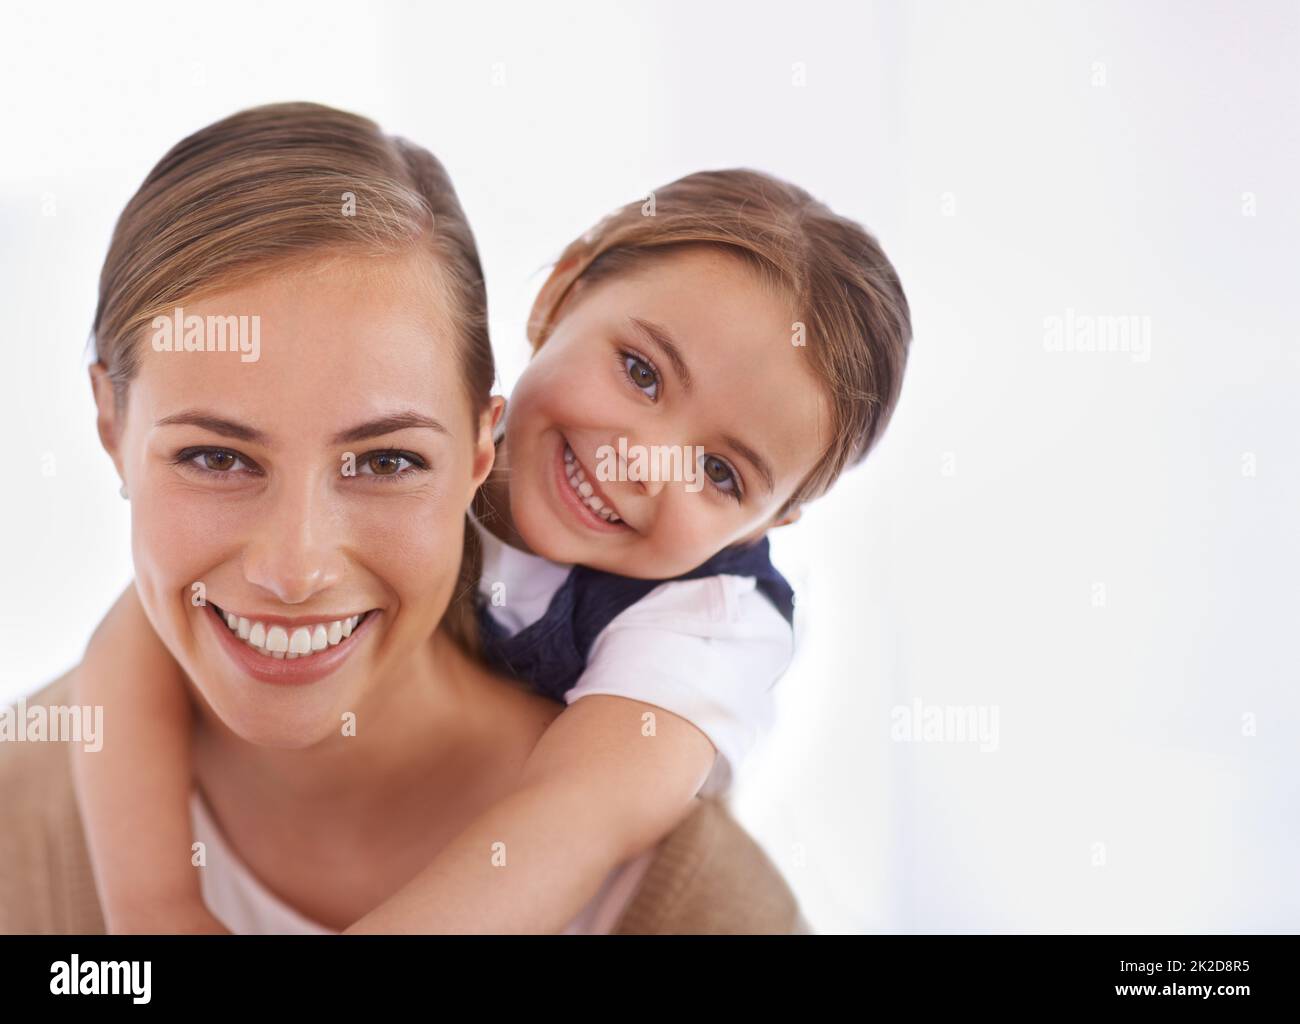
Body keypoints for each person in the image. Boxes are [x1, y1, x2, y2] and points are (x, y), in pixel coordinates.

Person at [68, 101, 909, 933]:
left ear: (775, 522)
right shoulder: (432, 418)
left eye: (720, 472)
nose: (640, 462)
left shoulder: (705, 628)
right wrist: (157, 910)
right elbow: (136, 630)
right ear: (559, 292)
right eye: (642, 373)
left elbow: (565, 824)